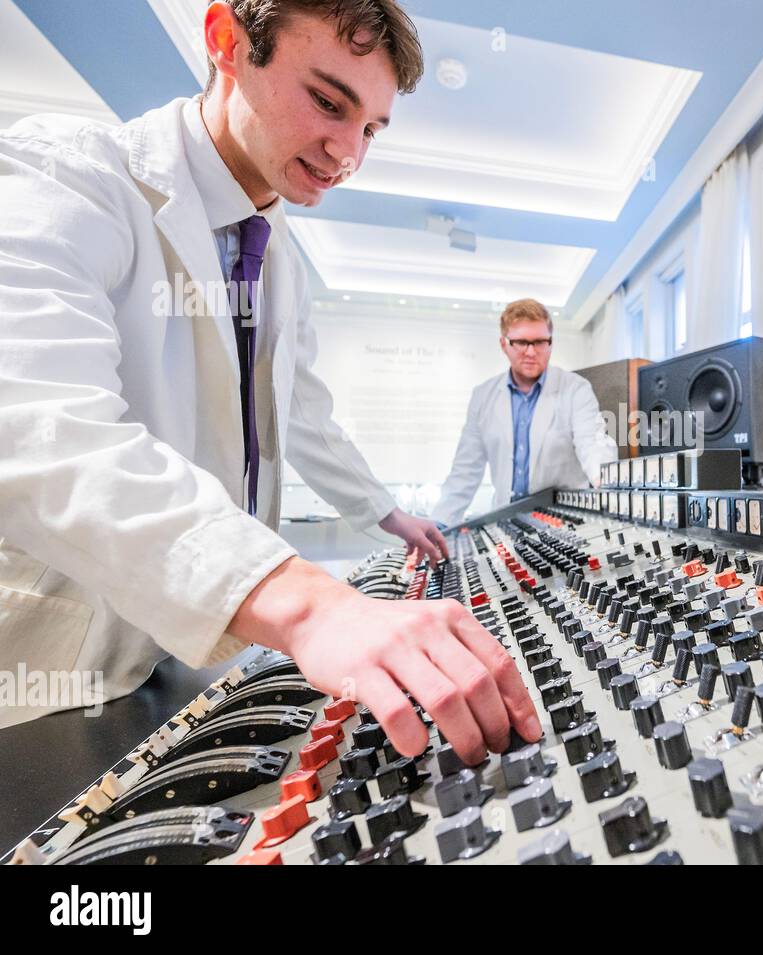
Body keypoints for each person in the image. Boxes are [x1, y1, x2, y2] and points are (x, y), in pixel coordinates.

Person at [0, 0, 540, 762]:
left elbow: (305, 418)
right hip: (47, 688)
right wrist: (310, 604)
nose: (347, 153)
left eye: (372, 129)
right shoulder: (69, 172)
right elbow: (37, 426)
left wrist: (387, 514)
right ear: (226, 41)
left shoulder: (278, 252)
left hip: (180, 661)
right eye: (328, 101)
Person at [432, 299, 618, 526]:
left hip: (562, 521)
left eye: (540, 342)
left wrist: (605, 480)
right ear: (504, 344)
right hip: (505, 520)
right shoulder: (483, 396)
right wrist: (439, 525)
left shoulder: (575, 389)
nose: (531, 352)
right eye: (521, 342)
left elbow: (591, 441)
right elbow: (465, 471)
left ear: (550, 343)